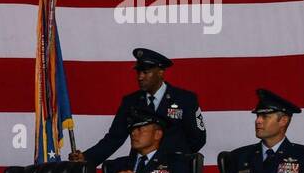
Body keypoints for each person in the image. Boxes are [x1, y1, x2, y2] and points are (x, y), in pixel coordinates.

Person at [70, 48, 206, 165]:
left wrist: (176, 161)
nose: (140, 77)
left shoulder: (185, 99)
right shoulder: (130, 102)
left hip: (171, 172)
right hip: (139, 169)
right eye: (138, 72)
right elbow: (114, 138)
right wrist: (87, 157)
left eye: (146, 72)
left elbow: (198, 138)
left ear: (160, 72)